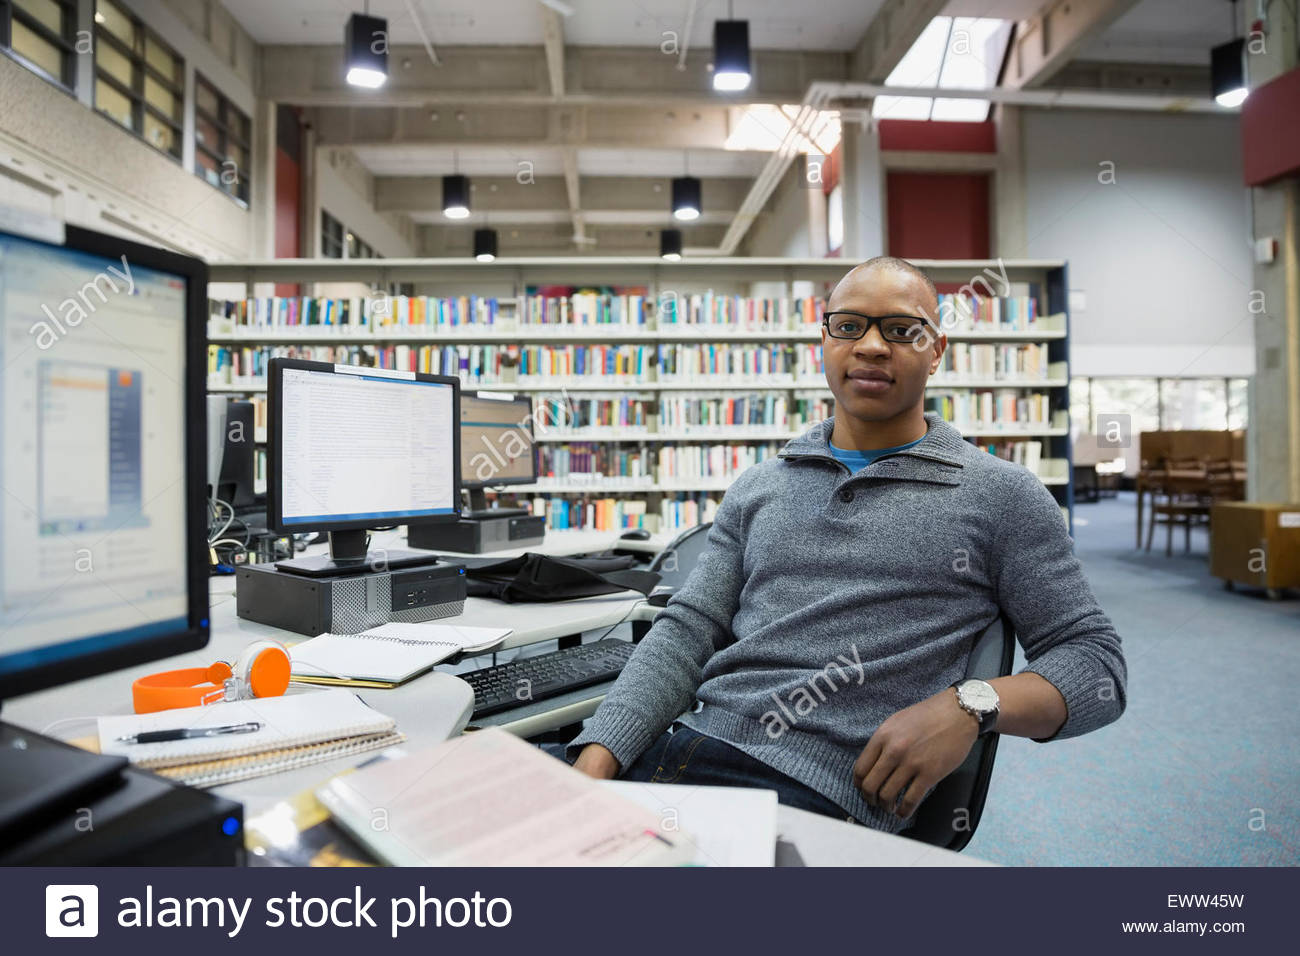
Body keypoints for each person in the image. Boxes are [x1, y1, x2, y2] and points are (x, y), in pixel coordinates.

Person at [567, 256, 1127, 833]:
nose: (872, 347)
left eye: (902, 330)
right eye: (850, 325)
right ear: (825, 339)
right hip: (674, 758)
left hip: (815, 801)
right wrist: (598, 757)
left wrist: (971, 703)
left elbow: (1096, 664)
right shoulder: (760, 486)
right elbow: (688, 630)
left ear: (937, 351)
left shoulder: (1000, 495)